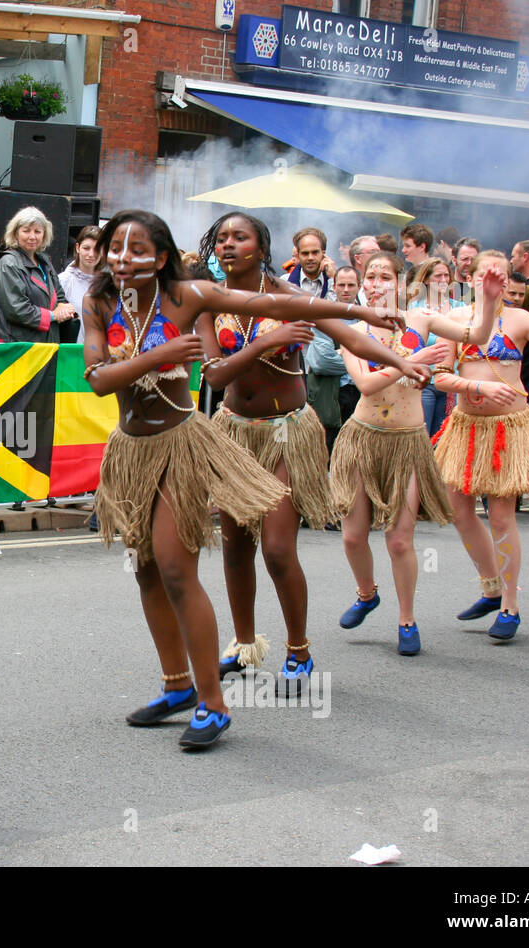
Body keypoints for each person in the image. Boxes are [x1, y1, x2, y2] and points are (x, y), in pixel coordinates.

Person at [83, 209, 417, 748]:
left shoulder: (188, 297)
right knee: (146, 569)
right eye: (114, 247)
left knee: (178, 568)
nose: (122, 258)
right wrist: (165, 354)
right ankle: (177, 685)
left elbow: (277, 304)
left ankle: (217, 704)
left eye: (136, 248)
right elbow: (98, 379)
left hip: (183, 447)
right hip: (131, 451)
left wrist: (359, 311)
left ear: (162, 256)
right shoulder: (97, 303)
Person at [193, 211, 430, 691]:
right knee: (237, 547)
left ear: (261, 246)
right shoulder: (209, 301)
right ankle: (243, 645)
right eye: (221, 238)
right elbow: (214, 375)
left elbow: (348, 333)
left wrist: (401, 361)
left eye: (240, 237)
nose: (228, 245)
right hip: (234, 431)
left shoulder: (288, 298)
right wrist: (273, 340)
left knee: (279, 548)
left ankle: (298, 650)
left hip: (286, 432)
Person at [330, 251, 500, 655]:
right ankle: (367, 593)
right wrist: (411, 361)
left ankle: (407, 619)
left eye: (384, 276)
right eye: (369, 277)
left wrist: (490, 302)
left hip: (407, 440)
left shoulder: (421, 320)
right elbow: (366, 385)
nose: (374, 284)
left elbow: (475, 336)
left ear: (401, 283)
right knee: (353, 536)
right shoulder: (352, 330)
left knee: (400, 540)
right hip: (362, 437)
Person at [431, 249, 529, 641]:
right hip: (466, 426)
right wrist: (475, 385)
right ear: (468, 279)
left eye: (499, 275)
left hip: (508, 428)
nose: (490, 280)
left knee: (501, 516)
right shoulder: (456, 320)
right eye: (483, 274)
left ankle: (510, 605)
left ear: (510, 281)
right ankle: (490, 586)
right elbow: (438, 377)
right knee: (459, 510)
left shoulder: (522, 320)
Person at [0, 206, 74, 344]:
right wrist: (53, 315)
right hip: (16, 346)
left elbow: (60, 295)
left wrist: (64, 308)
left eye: (38, 231)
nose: (32, 236)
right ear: (15, 233)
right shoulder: (8, 264)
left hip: (45, 344)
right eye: (26, 231)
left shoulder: (44, 261)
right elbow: (17, 310)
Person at [407, 256, 463, 436]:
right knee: (421, 432)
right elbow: (410, 343)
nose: (444, 280)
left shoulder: (460, 308)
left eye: (446, 276)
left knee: (444, 435)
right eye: (438, 276)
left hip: (451, 380)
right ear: (426, 280)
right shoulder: (415, 308)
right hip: (425, 380)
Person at [305, 264, 356, 453]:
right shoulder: (324, 315)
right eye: (341, 285)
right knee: (326, 451)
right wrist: (360, 360)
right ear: (334, 286)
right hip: (330, 395)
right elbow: (322, 362)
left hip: (359, 393)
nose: (346, 290)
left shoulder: (364, 318)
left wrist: (344, 355)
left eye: (351, 285)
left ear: (359, 287)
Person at [57, 226, 101, 345]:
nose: (91, 254)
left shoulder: (110, 284)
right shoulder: (63, 281)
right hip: (71, 353)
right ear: (77, 247)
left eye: (97, 249)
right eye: (86, 248)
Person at [282, 227, 333, 299]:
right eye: (305, 253)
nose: (310, 258)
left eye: (315, 252)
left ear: (323, 254)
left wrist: (334, 279)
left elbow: (342, 308)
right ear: (298, 255)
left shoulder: (335, 282)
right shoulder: (284, 282)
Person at [451, 237, 481, 303]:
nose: (469, 263)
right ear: (454, 260)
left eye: (473, 260)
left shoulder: (481, 289)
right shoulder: (445, 287)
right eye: (465, 259)